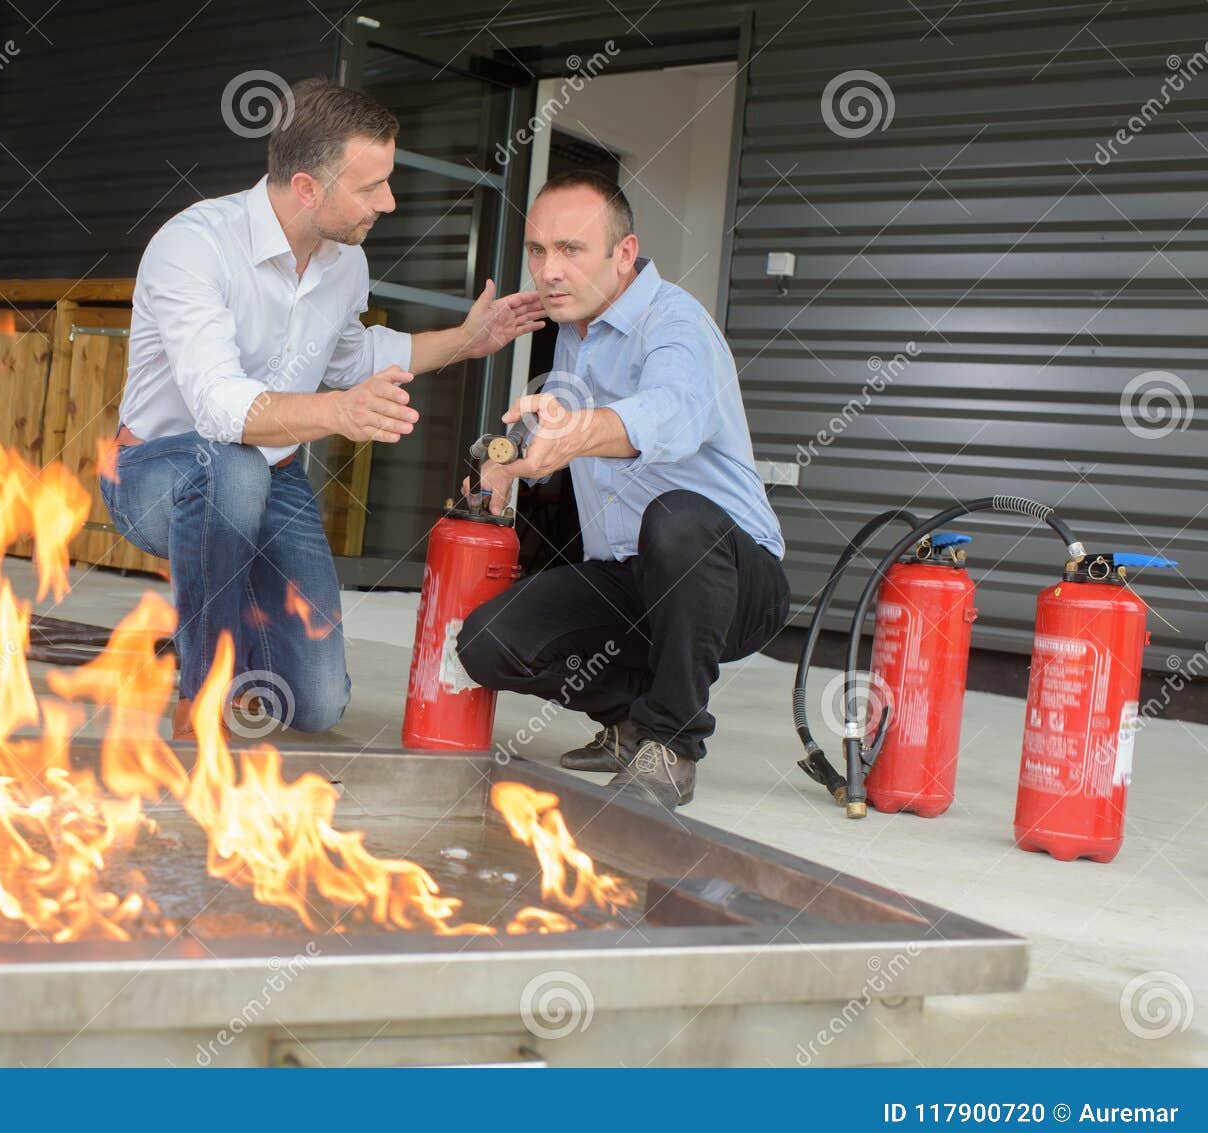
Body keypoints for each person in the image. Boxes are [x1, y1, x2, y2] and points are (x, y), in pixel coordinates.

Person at [101, 79, 545, 738]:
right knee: (235, 469)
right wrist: (337, 414)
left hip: (269, 482)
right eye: (371, 188)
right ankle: (201, 697)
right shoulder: (194, 246)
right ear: (307, 187)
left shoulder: (346, 264)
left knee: (312, 704)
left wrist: (467, 340)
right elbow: (222, 408)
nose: (388, 202)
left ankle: (226, 638)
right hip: (156, 476)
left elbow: (351, 358)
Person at [456, 170, 789, 812]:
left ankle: (672, 743)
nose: (548, 271)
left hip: (732, 578)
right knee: (488, 643)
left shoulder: (675, 326)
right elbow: (543, 427)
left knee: (678, 519)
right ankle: (630, 722)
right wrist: (503, 464)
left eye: (571, 250)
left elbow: (672, 412)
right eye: (538, 251)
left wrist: (579, 432)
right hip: (632, 578)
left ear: (625, 254)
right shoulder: (575, 339)